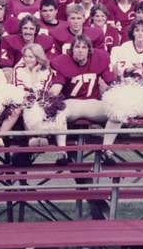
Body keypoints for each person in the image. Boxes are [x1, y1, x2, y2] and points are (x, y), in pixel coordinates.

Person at [49, 35, 121, 166]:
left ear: (89, 50)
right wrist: (50, 97)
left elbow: (113, 83)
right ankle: (61, 151)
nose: (80, 50)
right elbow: (56, 88)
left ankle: (107, 149)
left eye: (84, 47)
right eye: (77, 47)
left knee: (118, 111)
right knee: (58, 111)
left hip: (92, 103)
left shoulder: (99, 61)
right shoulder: (63, 62)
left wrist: (126, 98)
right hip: (72, 103)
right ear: (71, 50)